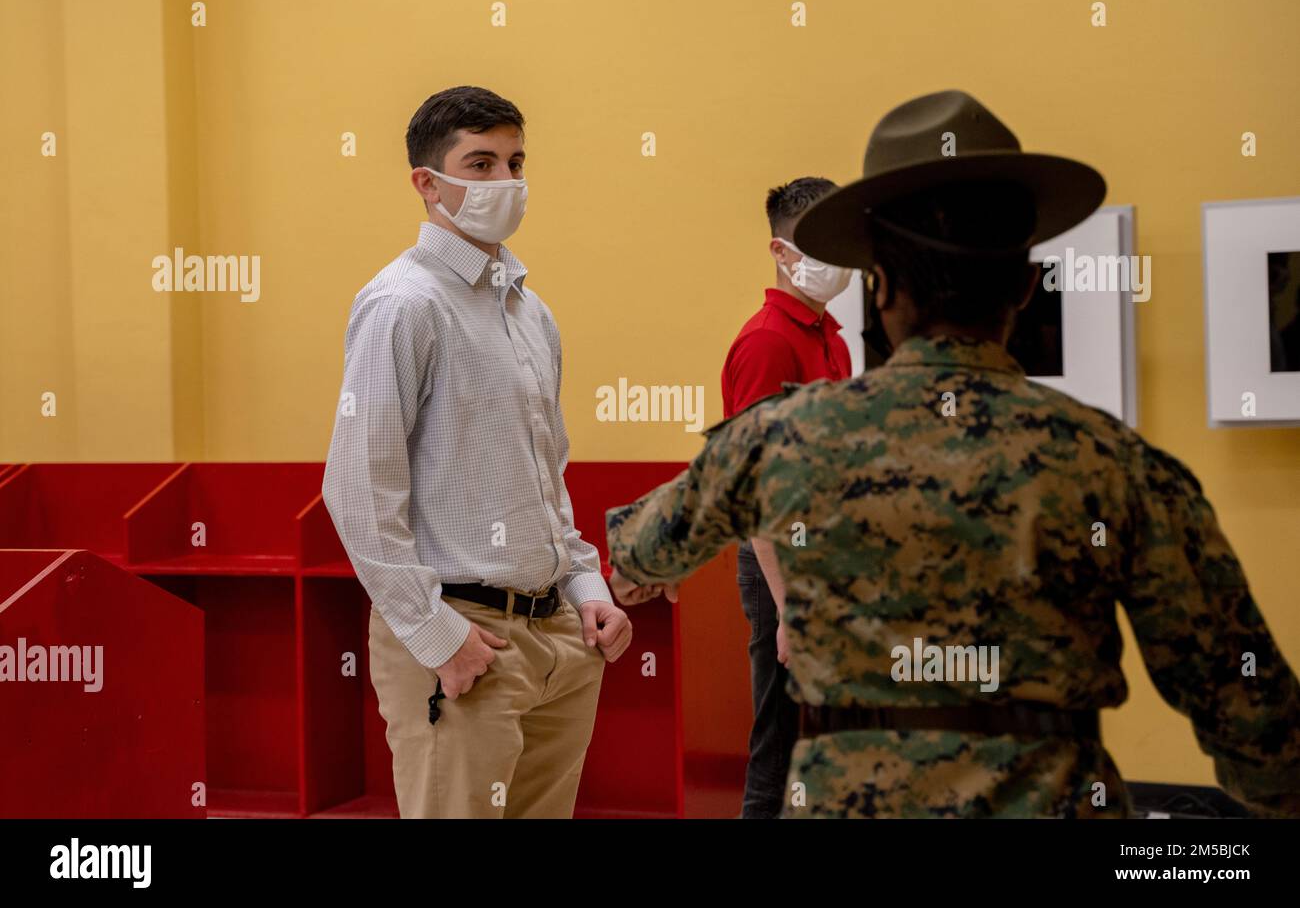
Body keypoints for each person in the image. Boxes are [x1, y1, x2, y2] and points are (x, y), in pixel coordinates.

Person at [605, 90, 1300, 817]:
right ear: (1026, 286)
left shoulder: (783, 439)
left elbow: (639, 551)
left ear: (880, 289)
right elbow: (1263, 729)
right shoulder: (1115, 464)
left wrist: (640, 575)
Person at [323, 85, 631, 819]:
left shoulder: (530, 311)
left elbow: (546, 476)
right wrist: (436, 635)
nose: (506, 183)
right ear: (428, 184)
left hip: (557, 635)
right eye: (481, 163)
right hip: (461, 634)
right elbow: (360, 490)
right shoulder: (403, 305)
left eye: (516, 162)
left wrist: (589, 592)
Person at [722, 177, 852, 818]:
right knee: (779, 739)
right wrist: (787, 606)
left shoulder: (833, 337)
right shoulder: (768, 341)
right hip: (782, 568)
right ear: (781, 251)